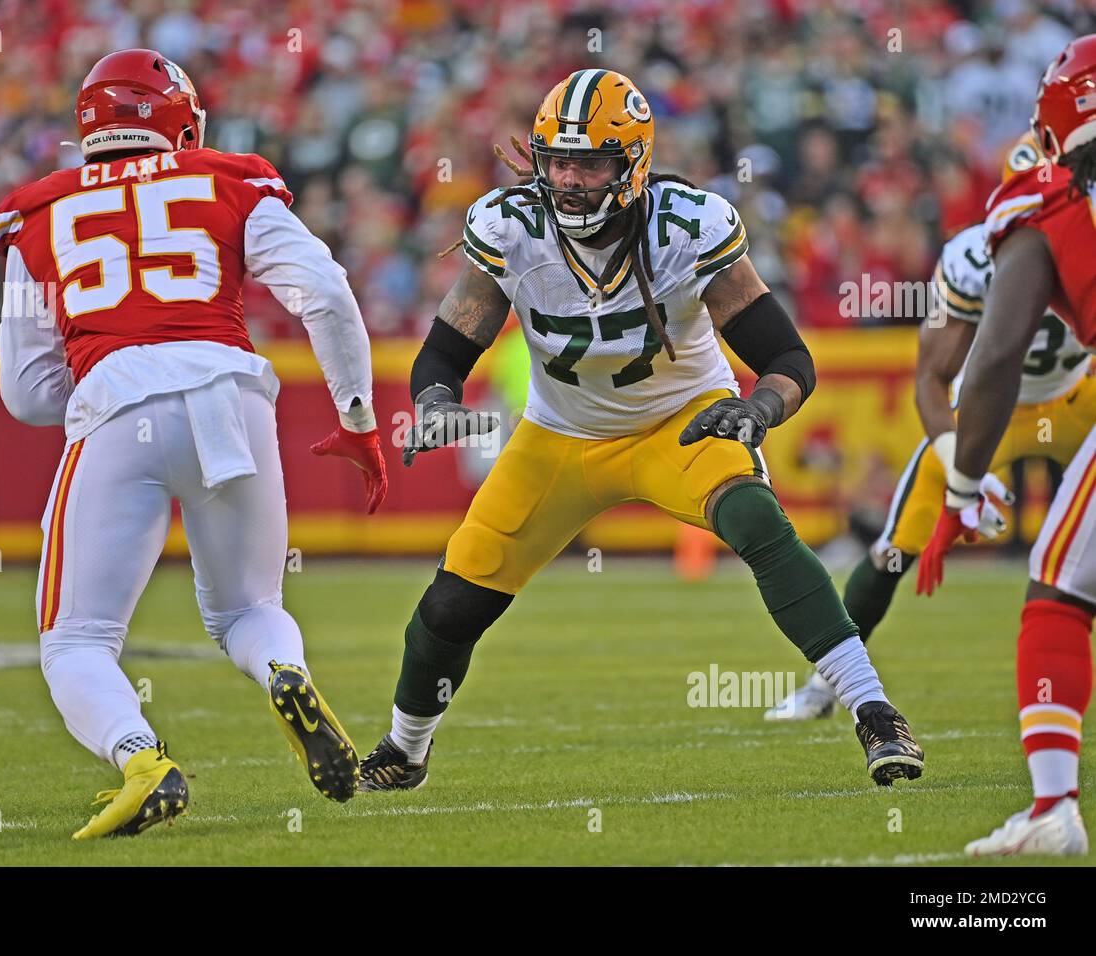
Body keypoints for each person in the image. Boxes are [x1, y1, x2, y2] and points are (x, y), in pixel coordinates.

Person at [357, 68, 924, 793]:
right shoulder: (510, 226)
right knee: (450, 602)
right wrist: (436, 401)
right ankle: (406, 749)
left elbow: (786, 358)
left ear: (633, 163)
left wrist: (757, 410)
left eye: (589, 162)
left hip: (679, 421)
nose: (567, 179)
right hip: (559, 436)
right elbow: (446, 348)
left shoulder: (686, 227)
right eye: (556, 159)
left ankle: (875, 712)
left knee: (755, 517)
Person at [0, 49, 387, 838]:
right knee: (249, 606)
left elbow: (26, 392)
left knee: (76, 640)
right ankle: (285, 671)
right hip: (231, 392)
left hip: (115, 401)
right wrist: (358, 417)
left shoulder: (35, 212)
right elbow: (328, 293)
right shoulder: (230, 179)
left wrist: (118, 370)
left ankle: (145, 761)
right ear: (180, 121)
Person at [768, 134, 1096, 721]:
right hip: (988, 411)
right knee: (894, 551)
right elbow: (930, 379)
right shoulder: (974, 256)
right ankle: (828, 680)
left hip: (1081, 396)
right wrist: (961, 469)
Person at [919, 36, 1096, 857]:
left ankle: (1053, 808)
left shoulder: (1045, 198)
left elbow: (990, 359)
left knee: (1059, 590)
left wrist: (961, 491)